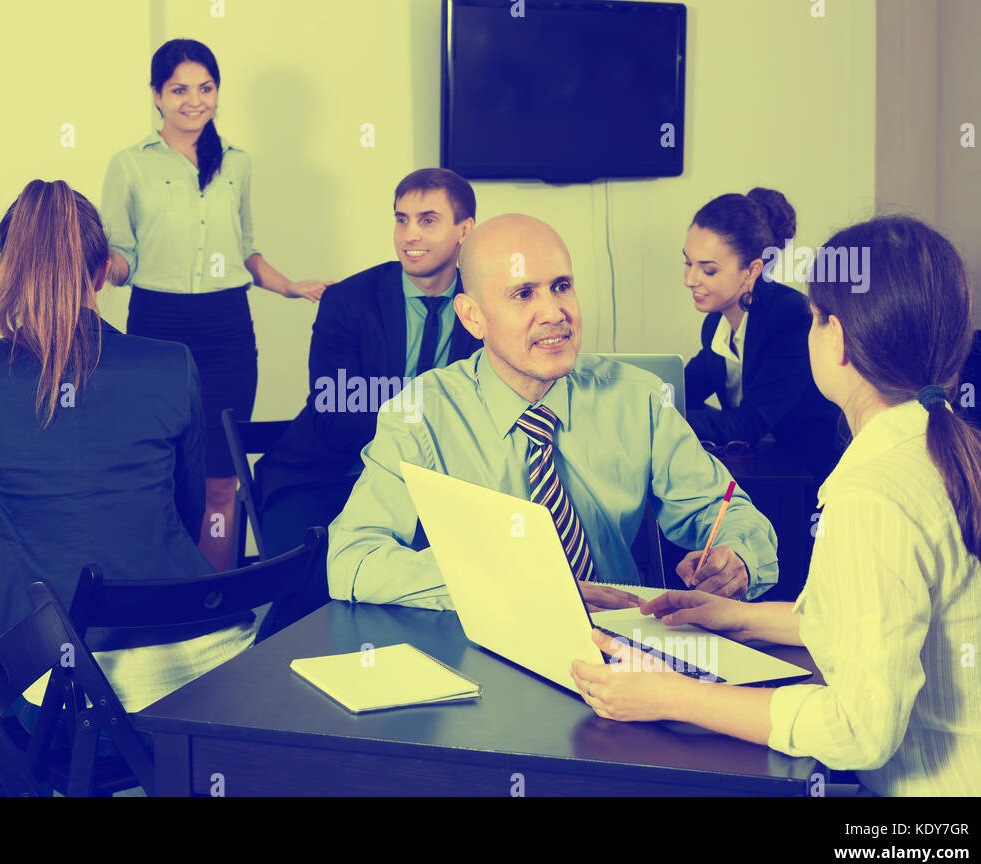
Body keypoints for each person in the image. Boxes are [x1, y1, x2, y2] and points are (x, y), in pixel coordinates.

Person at [571, 216, 981, 796]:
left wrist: (668, 695)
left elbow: (859, 731)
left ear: (836, 338)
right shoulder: (957, 448)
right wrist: (733, 615)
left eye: (812, 318)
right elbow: (874, 622)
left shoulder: (873, 493)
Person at [0, 181, 257, 791]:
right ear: (101, 273)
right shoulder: (172, 364)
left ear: (9, 271)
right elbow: (183, 514)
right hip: (194, 686)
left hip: (48, 705)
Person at [327, 214, 781, 612]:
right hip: (487, 651)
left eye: (561, 287)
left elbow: (729, 512)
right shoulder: (422, 415)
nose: (554, 312)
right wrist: (519, 583)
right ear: (473, 318)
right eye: (523, 294)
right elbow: (354, 560)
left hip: (623, 648)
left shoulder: (638, 399)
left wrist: (737, 557)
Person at [102, 37, 330, 572]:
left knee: (222, 478)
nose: (194, 100)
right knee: (160, 471)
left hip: (228, 328)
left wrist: (289, 286)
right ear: (156, 95)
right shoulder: (129, 165)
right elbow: (122, 255)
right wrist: (89, 270)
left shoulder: (237, 164)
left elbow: (245, 247)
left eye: (206, 88)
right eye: (179, 89)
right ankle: (168, 593)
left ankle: (218, 600)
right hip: (157, 325)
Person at [253, 168, 481, 639]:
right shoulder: (347, 301)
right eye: (402, 220)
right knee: (318, 585)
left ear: (465, 230)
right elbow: (337, 410)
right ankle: (276, 694)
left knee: (451, 587)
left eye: (428, 220)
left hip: (434, 487)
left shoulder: (485, 304)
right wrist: (426, 427)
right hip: (322, 476)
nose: (410, 235)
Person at [682, 189, 842, 479]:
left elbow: (750, 423)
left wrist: (667, 419)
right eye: (688, 263)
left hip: (810, 474)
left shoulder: (790, 316)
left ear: (751, 270)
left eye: (707, 270)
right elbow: (685, 389)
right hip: (762, 469)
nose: (689, 280)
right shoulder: (715, 326)